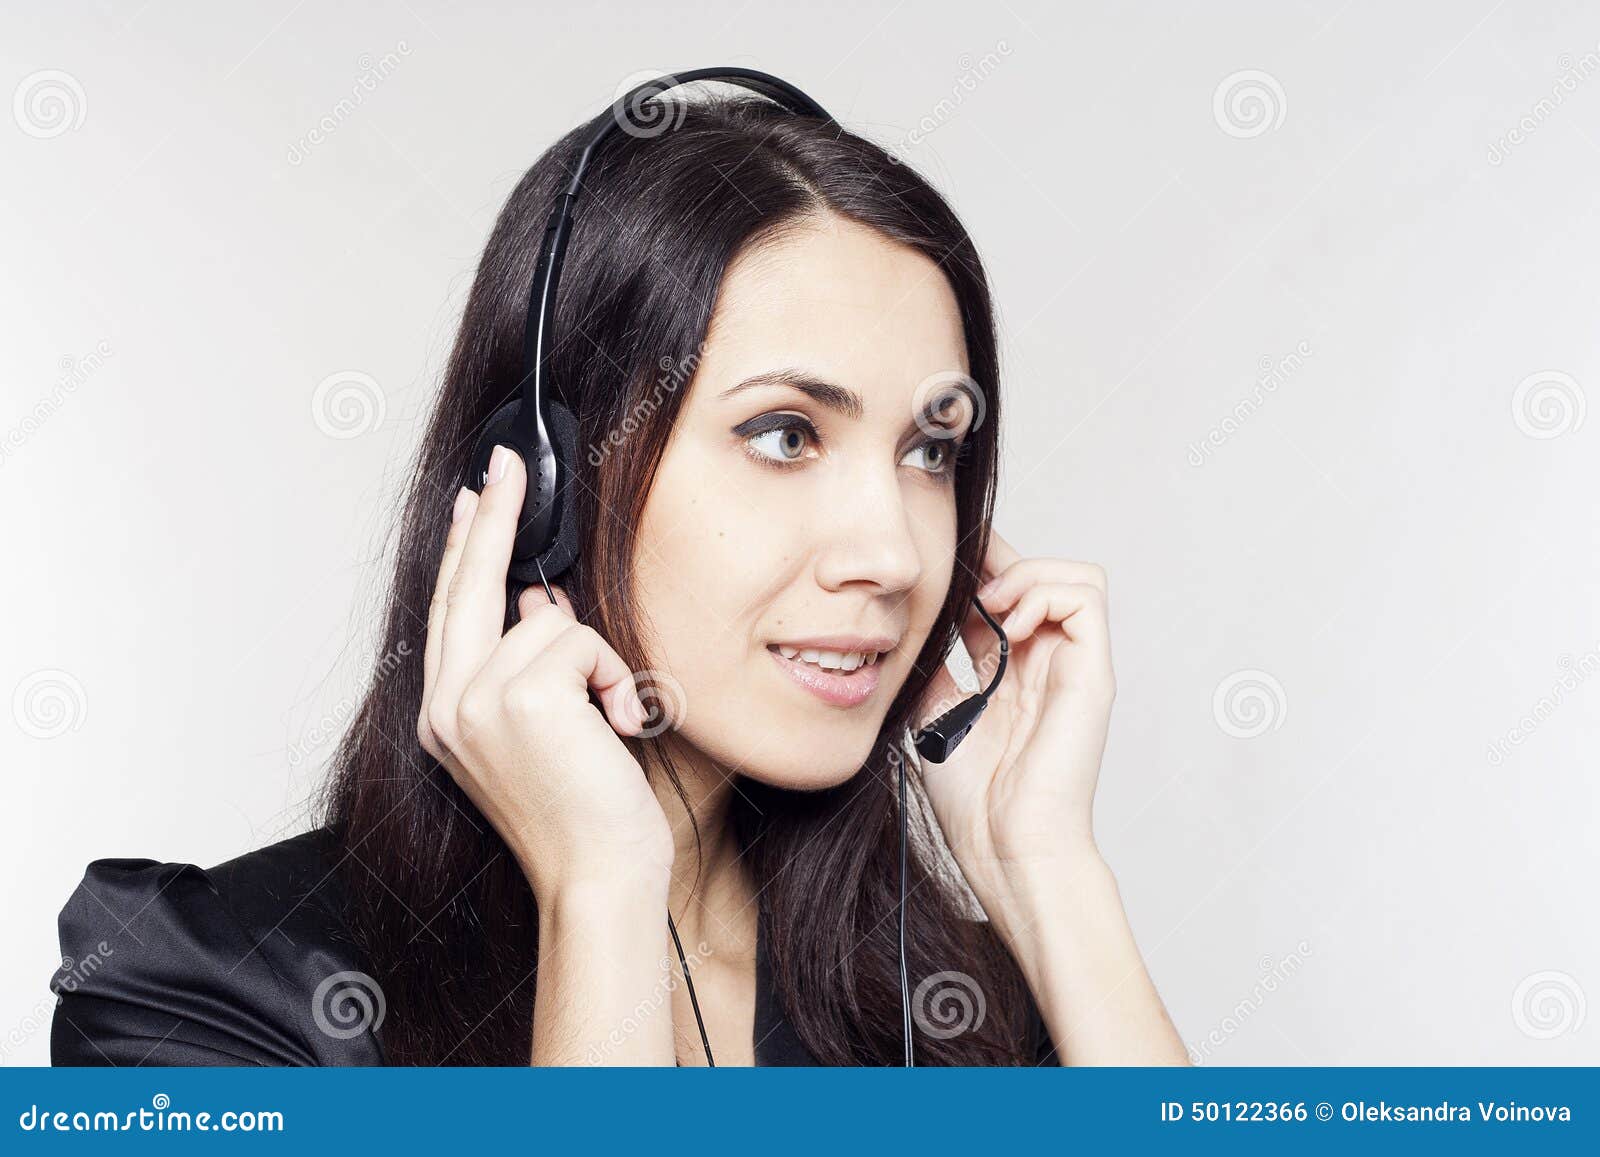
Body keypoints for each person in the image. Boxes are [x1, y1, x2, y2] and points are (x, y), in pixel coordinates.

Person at [50, 87, 1188, 1067]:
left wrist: (1041, 865)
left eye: (929, 450)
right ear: (549, 484)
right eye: (785, 434)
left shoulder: (952, 1006)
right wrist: (600, 890)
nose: (892, 555)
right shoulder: (200, 996)